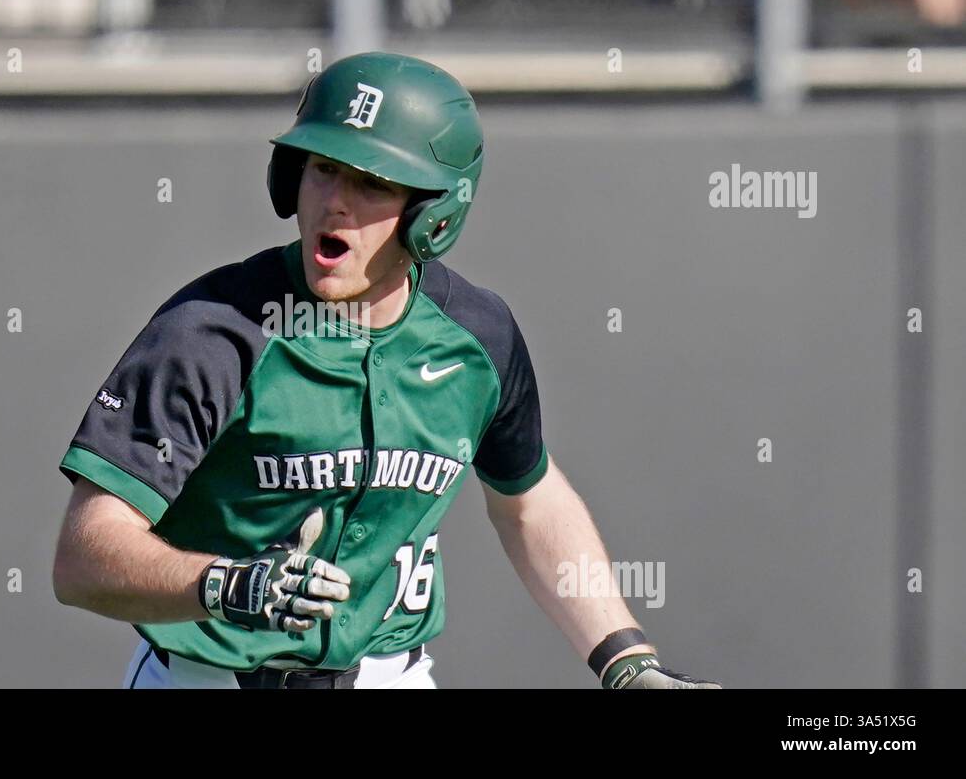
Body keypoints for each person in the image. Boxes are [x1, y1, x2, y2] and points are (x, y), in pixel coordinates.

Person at [52, 52, 721, 690]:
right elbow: (83, 556)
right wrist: (223, 583)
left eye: (372, 182)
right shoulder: (211, 333)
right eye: (322, 168)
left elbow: (530, 503)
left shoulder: (476, 340)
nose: (335, 201)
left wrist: (625, 659)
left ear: (435, 214)